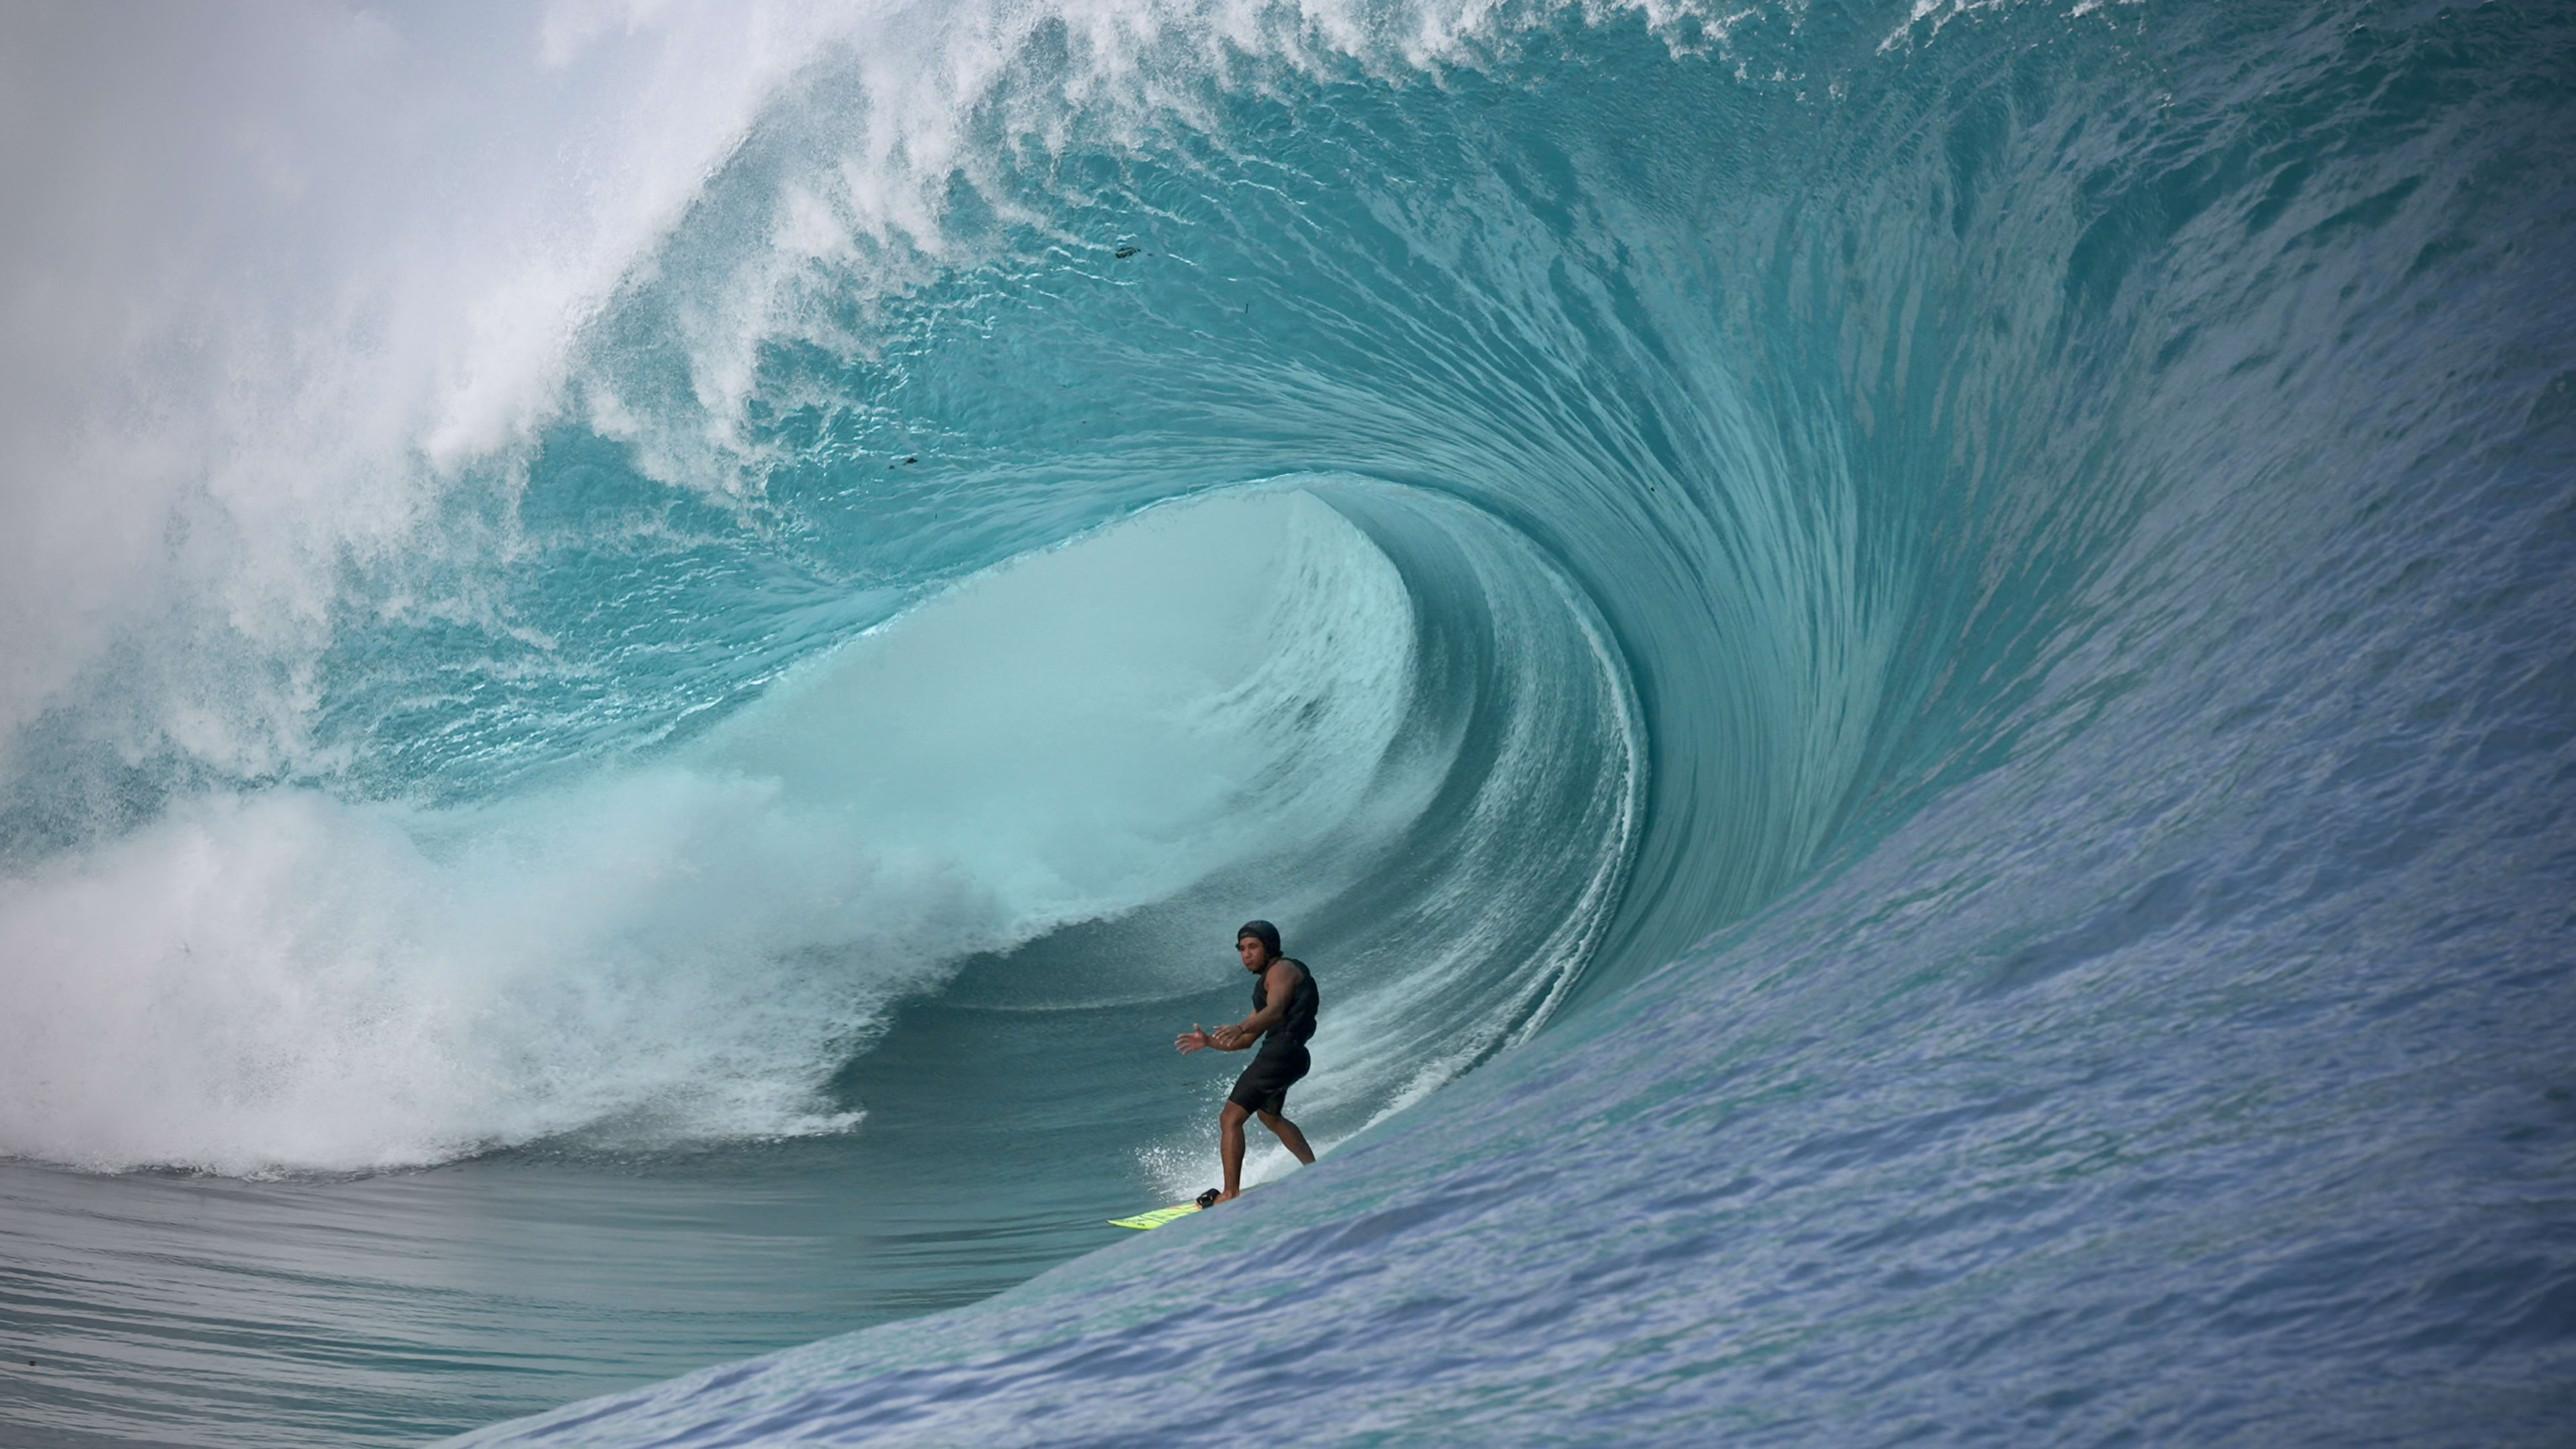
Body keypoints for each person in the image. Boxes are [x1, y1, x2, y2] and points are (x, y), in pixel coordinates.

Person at [1175, 920, 1318, 1205]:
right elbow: (1247, 1039)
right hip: (1292, 1056)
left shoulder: (1282, 970)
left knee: (1230, 1119)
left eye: (1253, 947)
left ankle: (1230, 1194)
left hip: (1281, 1054)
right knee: (1270, 1116)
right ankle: (1314, 1170)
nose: (1246, 954)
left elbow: (1275, 1012)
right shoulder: (1265, 983)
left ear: (1271, 947)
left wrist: (1240, 1026)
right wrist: (1209, 1042)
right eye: (1242, 949)